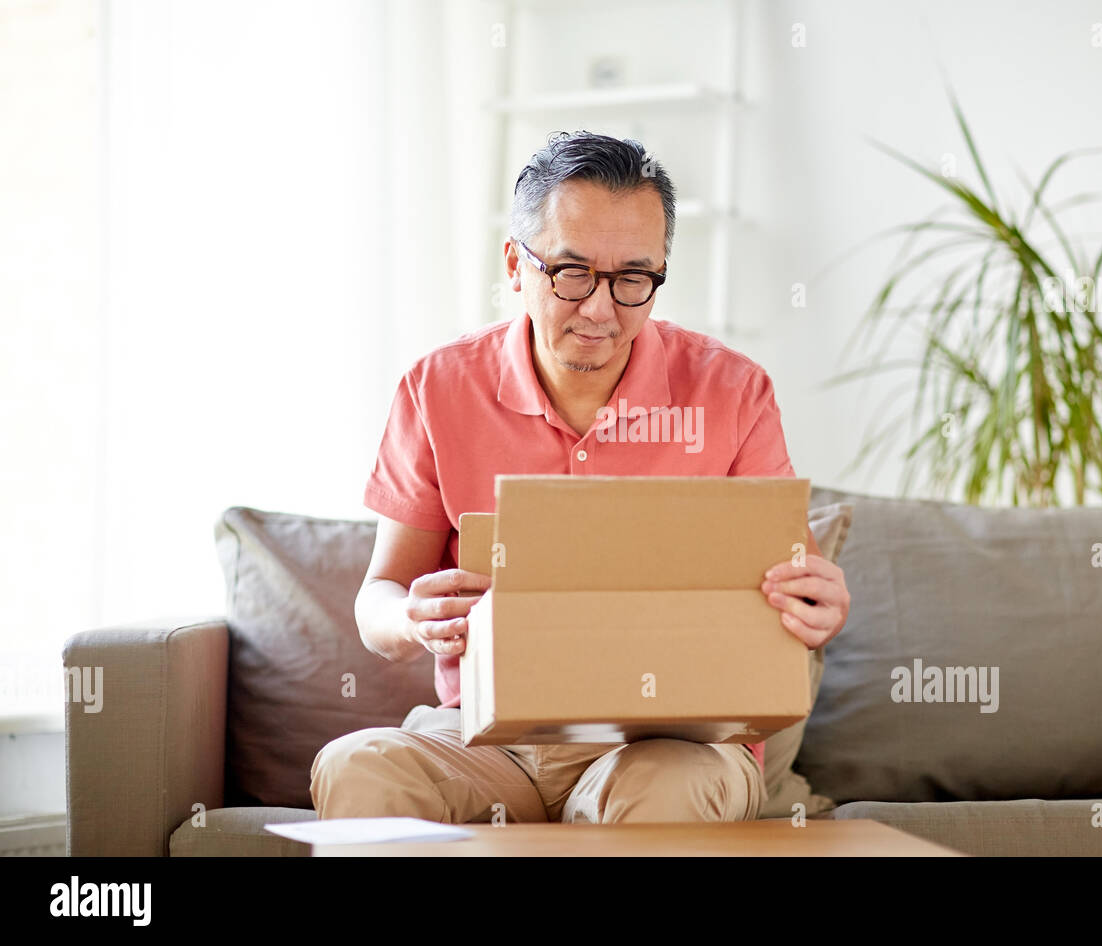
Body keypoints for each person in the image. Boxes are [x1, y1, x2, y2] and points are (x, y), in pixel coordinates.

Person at [310, 130, 850, 824]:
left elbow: (796, 596)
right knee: (358, 767)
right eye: (571, 272)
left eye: (633, 278)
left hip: (673, 745)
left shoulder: (732, 392)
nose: (600, 309)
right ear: (514, 263)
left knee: (657, 792)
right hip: (491, 740)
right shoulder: (437, 388)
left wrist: (821, 608)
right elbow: (377, 601)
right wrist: (411, 618)